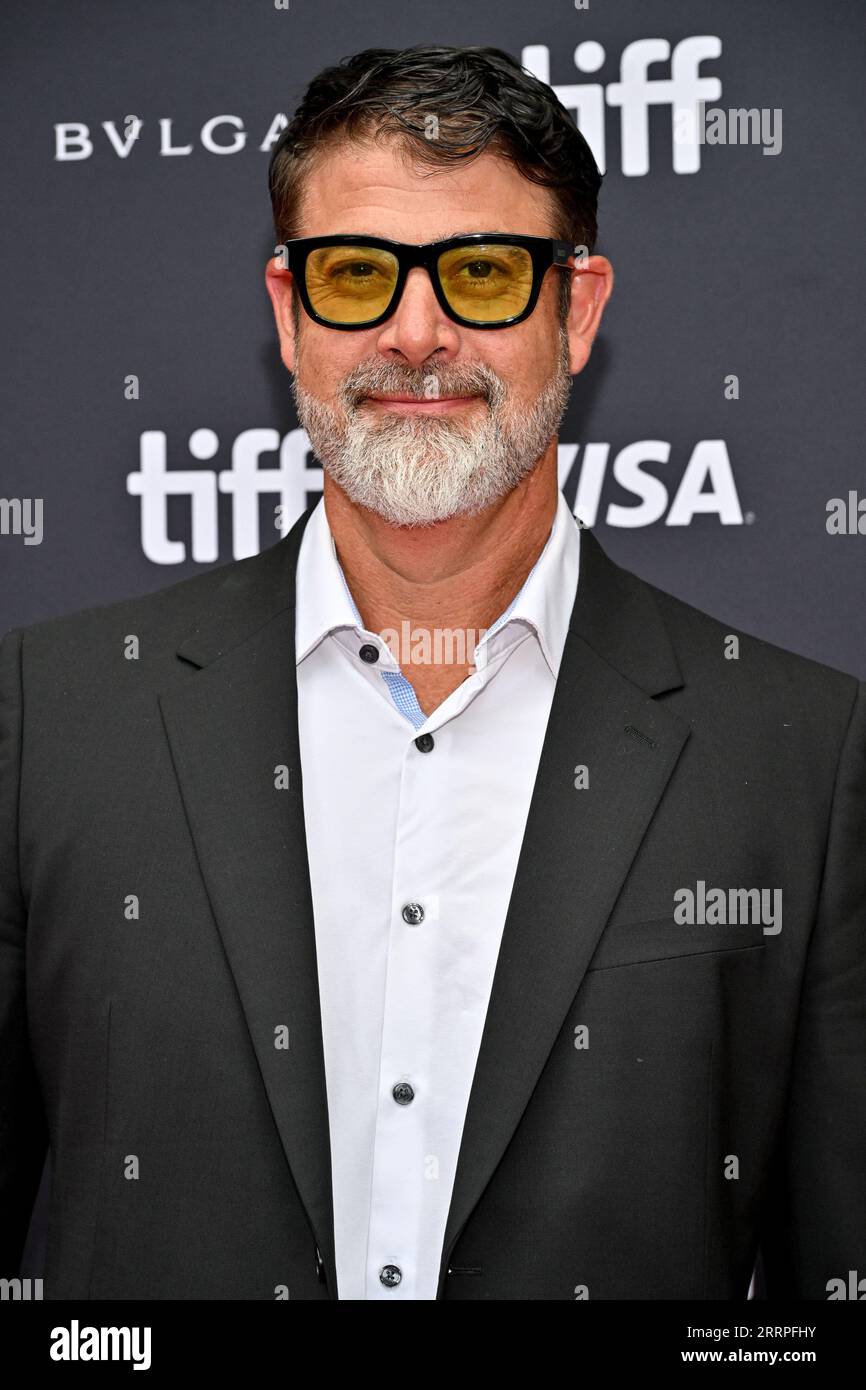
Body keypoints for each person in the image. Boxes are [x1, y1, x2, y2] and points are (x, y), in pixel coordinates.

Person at [1, 45, 863, 1302]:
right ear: (289, 314)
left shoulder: (803, 753)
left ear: (574, 310)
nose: (417, 333)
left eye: (480, 272)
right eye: (357, 274)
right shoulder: (47, 721)